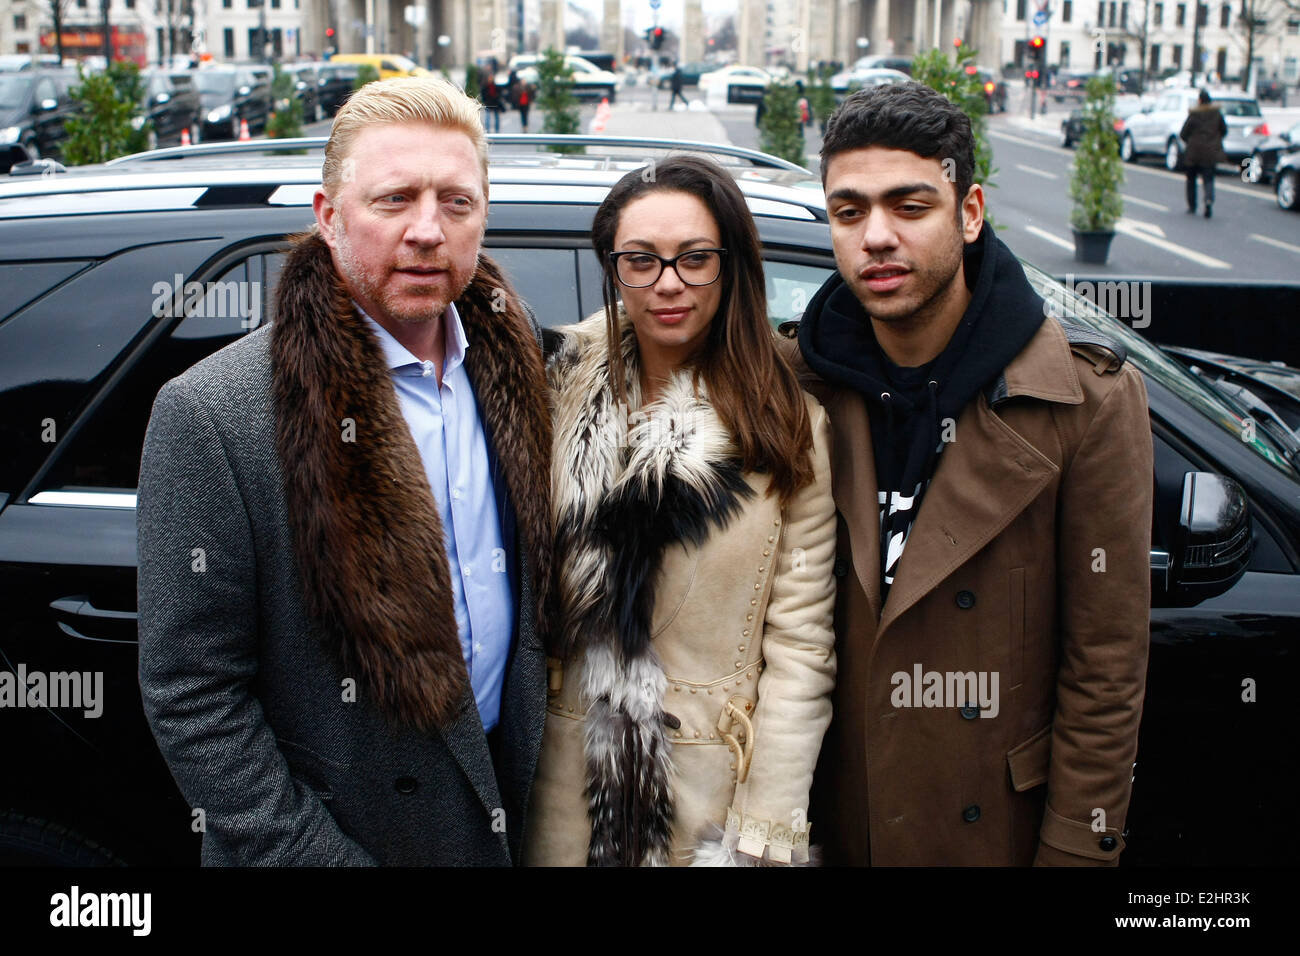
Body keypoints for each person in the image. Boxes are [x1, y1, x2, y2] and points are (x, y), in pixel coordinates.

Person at [136, 76, 553, 865]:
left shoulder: (518, 351)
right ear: (328, 218)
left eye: (456, 202)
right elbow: (191, 693)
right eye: (394, 200)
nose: (428, 231)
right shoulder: (215, 414)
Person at [781, 82, 1153, 865]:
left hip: (993, 835)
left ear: (970, 211)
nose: (876, 236)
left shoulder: (1083, 401)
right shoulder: (794, 382)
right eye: (849, 212)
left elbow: (1105, 670)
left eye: (909, 207)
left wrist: (1079, 853)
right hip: (832, 826)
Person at [524, 156, 838, 866]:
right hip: (556, 782)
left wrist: (768, 827)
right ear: (611, 267)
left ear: (731, 265)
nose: (668, 283)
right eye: (640, 260)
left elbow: (803, 647)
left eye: (695, 259)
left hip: (708, 793)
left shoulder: (786, 425)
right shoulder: (549, 391)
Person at [1180, 89, 1227, 218]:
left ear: (1200, 101)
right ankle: (1208, 200)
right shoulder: (1217, 114)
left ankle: (1192, 205)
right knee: (1208, 179)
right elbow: (1224, 130)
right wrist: (1214, 140)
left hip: (1194, 152)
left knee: (1191, 179)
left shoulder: (1194, 114)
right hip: (1210, 153)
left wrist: (1190, 142)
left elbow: (1183, 133)